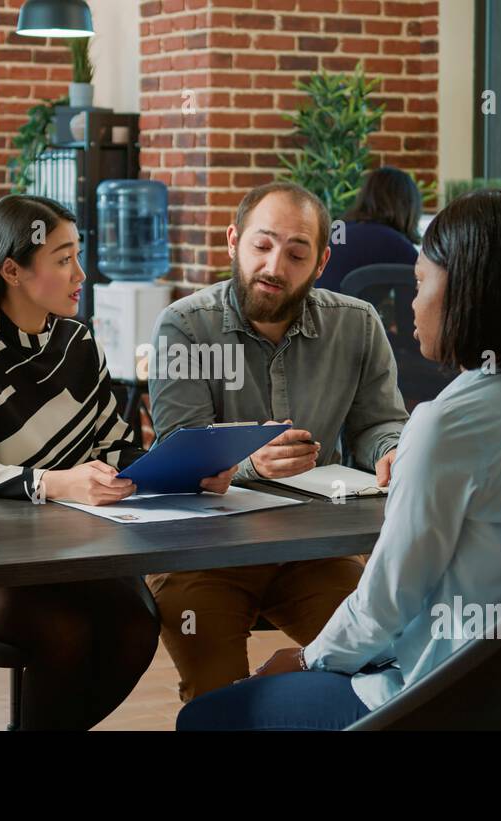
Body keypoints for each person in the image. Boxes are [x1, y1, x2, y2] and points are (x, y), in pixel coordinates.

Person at [176, 189, 501, 731]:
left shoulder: (446, 423)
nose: (411, 302)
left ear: (469, 293)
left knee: (206, 720)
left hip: (438, 704)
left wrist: (306, 660)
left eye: (422, 282)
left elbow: (386, 602)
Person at [0, 194, 233, 730]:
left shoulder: (79, 341)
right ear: (12, 269)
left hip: (66, 551)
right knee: (65, 634)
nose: (82, 274)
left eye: (78, 256)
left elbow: (114, 444)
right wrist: (54, 484)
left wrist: (185, 468)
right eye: (64, 259)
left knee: (137, 625)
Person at [147, 181, 410, 703]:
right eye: (262, 246)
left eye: (296, 253)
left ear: (320, 261)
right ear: (233, 241)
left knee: (378, 665)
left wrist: (392, 451)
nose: (274, 266)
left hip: (312, 549)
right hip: (204, 555)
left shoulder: (357, 325)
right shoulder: (184, 327)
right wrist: (249, 464)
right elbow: (178, 454)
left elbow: (378, 423)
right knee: (218, 697)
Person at [316, 166, 422, 293]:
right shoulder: (401, 248)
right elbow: (411, 308)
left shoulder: (338, 231)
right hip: (354, 312)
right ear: (409, 207)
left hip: (314, 311)